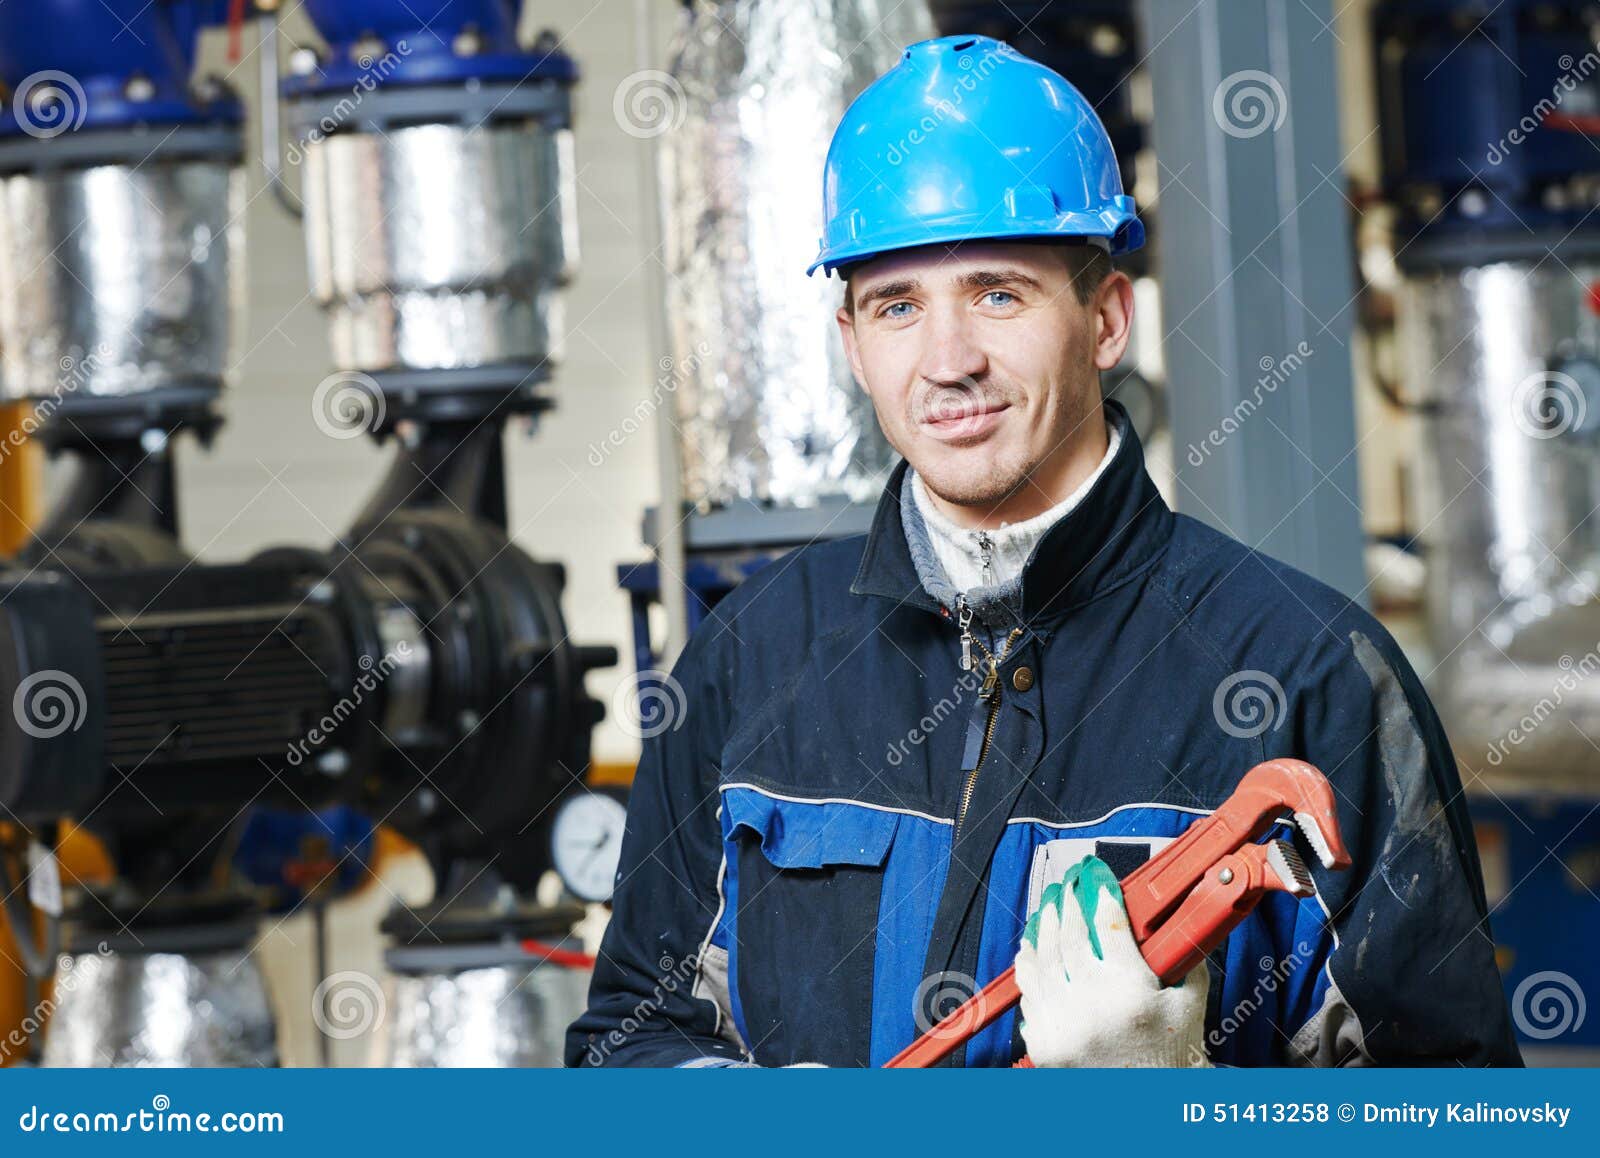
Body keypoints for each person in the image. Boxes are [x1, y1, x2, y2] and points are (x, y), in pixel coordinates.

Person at [568, 34, 1520, 1067]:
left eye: (997, 294)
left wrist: (1183, 1110)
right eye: (897, 306)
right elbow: (629, 1042)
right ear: (851, 342)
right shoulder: (750, 658)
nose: (947, 362)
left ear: (1105, 318)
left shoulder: (1313, 679)